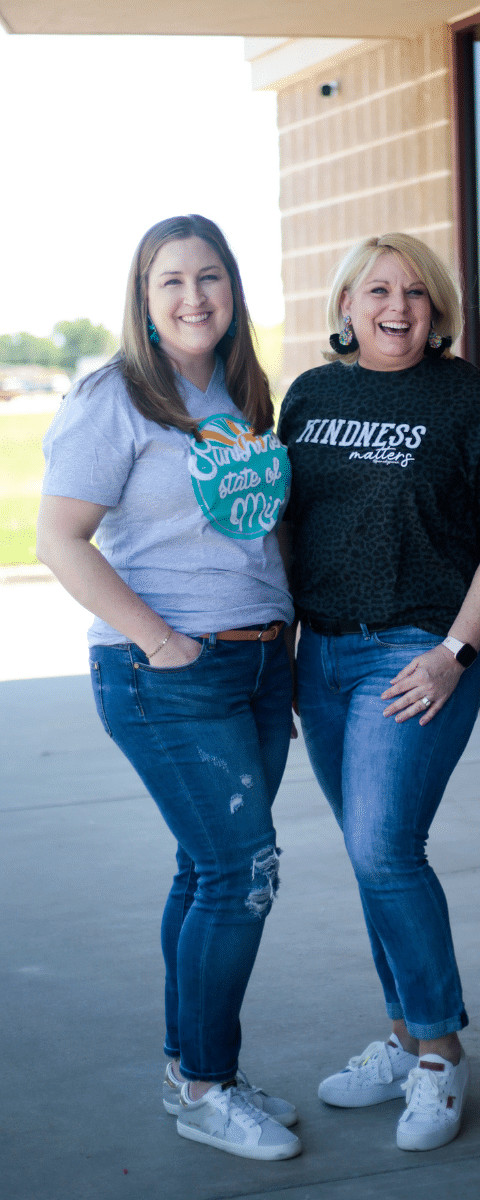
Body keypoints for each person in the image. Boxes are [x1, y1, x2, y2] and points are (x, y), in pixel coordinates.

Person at [37, 214, 302, 1162]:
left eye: (211, 278)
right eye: (171, 282)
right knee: (243, 874)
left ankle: (192, 1067)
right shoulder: (115, 398)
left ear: (233, 292)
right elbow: (58, 538)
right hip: (171, 672)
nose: (194, 298)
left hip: (262, 664)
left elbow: (255, 533)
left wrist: (287, 647)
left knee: (209, 871)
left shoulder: (239, 391)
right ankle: (205, 1086)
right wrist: (162, 643)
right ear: (144, 304)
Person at [277, 232, 480, 1151]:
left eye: (418, 292)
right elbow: (279, 522)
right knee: (365, 854)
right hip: (324, 659)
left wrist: (458, 653)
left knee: (386, 846)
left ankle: (441, 1054)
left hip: (422, 652)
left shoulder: (476, 404)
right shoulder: (310, 396)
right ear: (346, 304)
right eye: (378, 289)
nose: (398, 305)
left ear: (440, 309)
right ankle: (401, 1035)